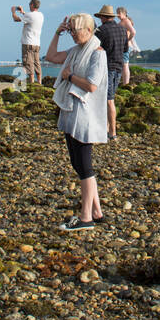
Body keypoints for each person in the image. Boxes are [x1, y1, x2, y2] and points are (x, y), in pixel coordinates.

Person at [44, 13, 109, 231]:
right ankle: (97, 212)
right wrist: (57, 32)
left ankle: (85, 218)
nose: (73, 35)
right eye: (71, 31)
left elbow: (92, 85)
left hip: (85, 115)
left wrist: (69, 77)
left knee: (84, 166)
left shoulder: (97, 54)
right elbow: (50, 56)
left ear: (89, 30)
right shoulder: (75, 50)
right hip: (71, 112)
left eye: (75, 31)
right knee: (78, 164)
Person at [94, 4, 128, 141]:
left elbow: (95, 49)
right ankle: (108, 128)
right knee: (110, 98)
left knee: (108, 100)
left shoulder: (100, 31)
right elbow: (125, 49)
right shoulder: (122, 29)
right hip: (118, 66)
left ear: (102, 17)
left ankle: (112, 132)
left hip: (106, 67)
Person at [12, 0, 45, 84]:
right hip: (37, 44)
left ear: (32, 5)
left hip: (27, 43)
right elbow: (29, 16)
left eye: (30, 4)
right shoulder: (41, 15)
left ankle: (31, 83)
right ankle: (40, 83)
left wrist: (13, 12)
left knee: (28, 64)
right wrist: (22, 12)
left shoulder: (30, 15)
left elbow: (16, 19)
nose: (29, 5)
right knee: (37, 63)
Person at [117, 7, 138, 85]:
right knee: (122, 64)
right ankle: (123, 82)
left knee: (125, 64)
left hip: (126, 46)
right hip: (120, 46)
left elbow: (133, 32)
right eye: (117, 13)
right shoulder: (121, 22)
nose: (117, 15)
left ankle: (126, 83)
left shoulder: (126, 21)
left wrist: (128, 40)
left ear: (124, 13)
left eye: (119, 13)